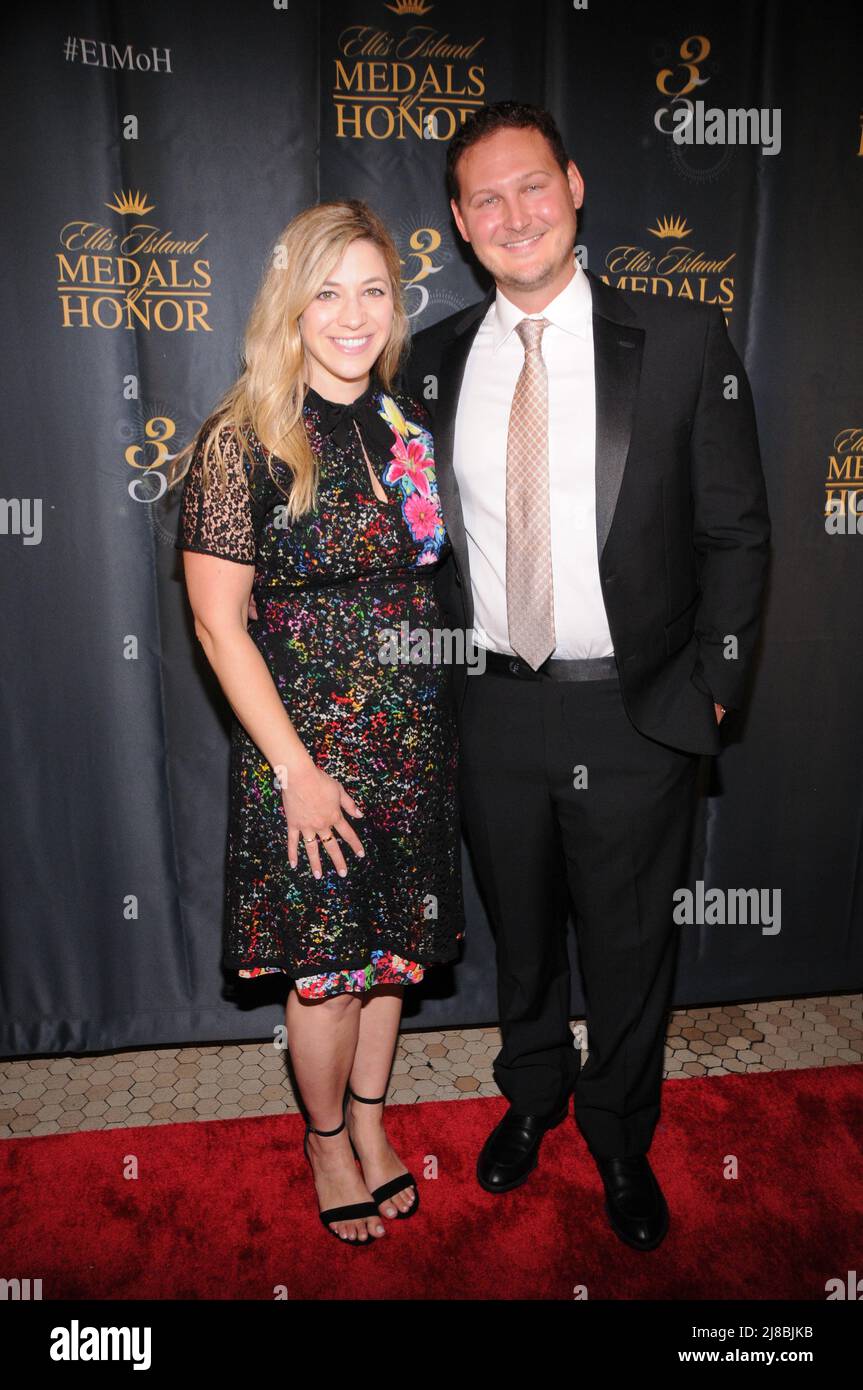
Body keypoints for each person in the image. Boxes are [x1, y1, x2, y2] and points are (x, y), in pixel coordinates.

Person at [402, 101, 770, 1251]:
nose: (513, 213)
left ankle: (616, 1133)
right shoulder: (429, 363)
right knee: (518, 930)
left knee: (624, 944)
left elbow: (737, 533)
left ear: (571, 185)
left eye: (530, 185)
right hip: (490, 704)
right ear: (461, 225)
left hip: (633, 706)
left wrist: (710, 686)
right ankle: (532, 1096)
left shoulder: (677, 340)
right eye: (484, 199)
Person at [170, 199, 465, 1245]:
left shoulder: (402, 430)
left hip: (410, 740)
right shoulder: (241, 438)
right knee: (330, 970)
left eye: (372, 290)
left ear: (396, 305)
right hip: (308, 750)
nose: (350, 315)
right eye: (326, 293)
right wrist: (293, 767)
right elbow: (217, 625)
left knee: (394, 959)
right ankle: (326, 1136)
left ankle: (375, 1124)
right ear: (289, 310)